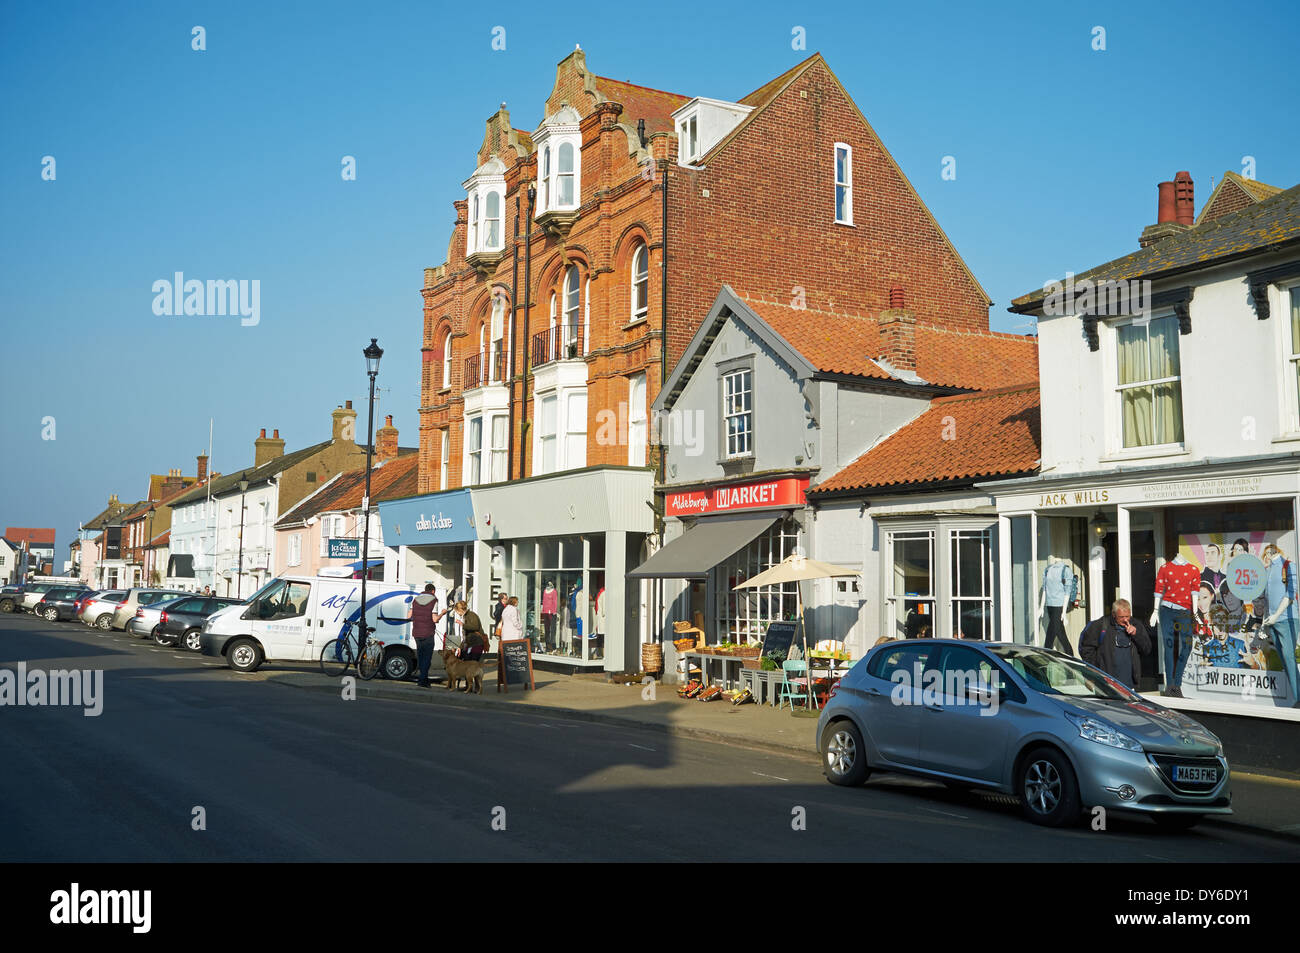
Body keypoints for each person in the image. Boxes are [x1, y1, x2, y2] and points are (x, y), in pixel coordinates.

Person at [1079, 599, 1151, 691]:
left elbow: (1147, 649)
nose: (1125, 620)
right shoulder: (1101, 625)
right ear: (1113, 614)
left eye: (1127, 616)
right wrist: (1095, 674)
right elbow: (1087, 650)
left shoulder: (1136, 625)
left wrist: (1136, 635)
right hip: (1105, 683)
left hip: (1129, 685)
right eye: (1121, 617)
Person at [1261, 544, 1298, 706]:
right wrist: (1265, 622)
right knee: (1284, 659)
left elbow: (1291, 593)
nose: (1267, 555)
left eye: (1269, 552)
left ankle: (1298, 699)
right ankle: (1297, 697)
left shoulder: (1289, 566)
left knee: (1289, 657)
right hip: (1272, 621)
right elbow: (1266, 600)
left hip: (1287, 619)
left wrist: (1276, 616)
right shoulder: (1268, 571)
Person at [408, 584, 440, 687]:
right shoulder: (434, 600)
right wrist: (442, 613)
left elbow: (408, 616)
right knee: (427, 658)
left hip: (417, 632)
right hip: (428, 633)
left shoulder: (415, 599)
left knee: (421, 657)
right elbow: (435, 619)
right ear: (433, 591)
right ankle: (422, 680)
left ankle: (423, 679)